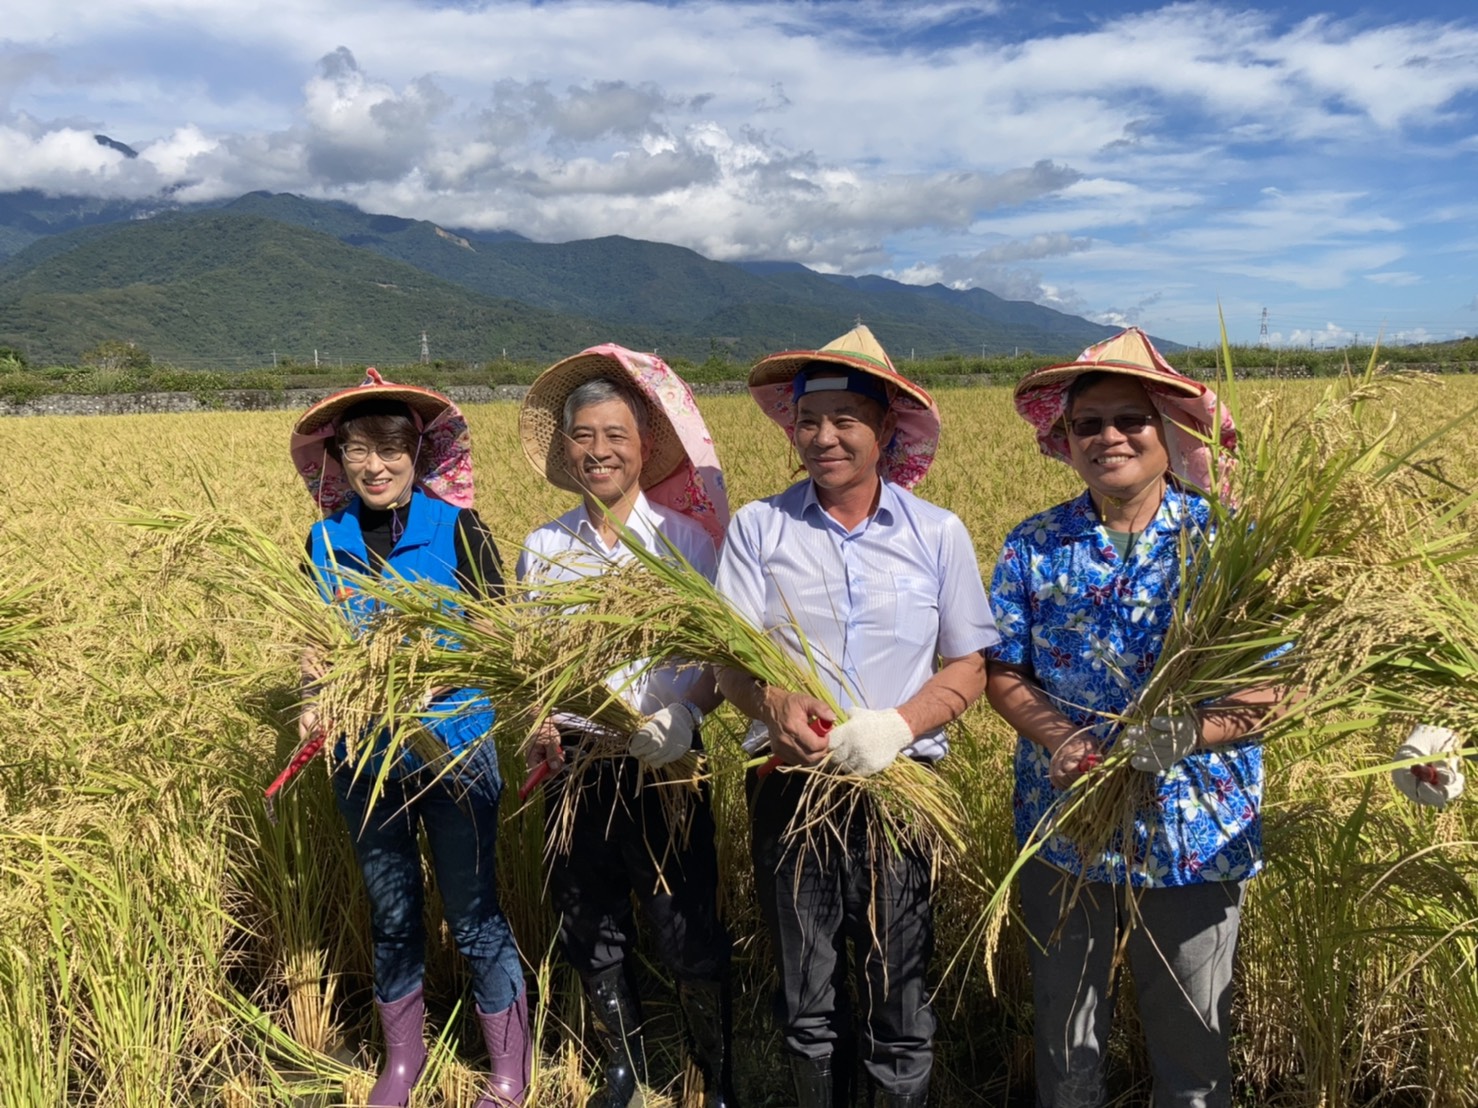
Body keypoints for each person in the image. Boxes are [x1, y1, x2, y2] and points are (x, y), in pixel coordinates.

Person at [986, 328, 1284, 1108]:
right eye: (1090, 423)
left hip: (1196, 830)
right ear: (1067, 437)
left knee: (1191, 1048)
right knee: (1066, 1038)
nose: (1109, 437)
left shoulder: (1227, 545)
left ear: (1171, 433)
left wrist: (1191, 732)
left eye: (1131, 420)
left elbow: (1273, 687)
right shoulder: (1035, 545)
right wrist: (1061, 735)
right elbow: (1003, 671)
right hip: (1066, 821)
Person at [713, 326, 997, 1108]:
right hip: (790, 786)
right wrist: (771, 703)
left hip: (902, 789)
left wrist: (898, 727)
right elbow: (727, 662)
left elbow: (970, 662)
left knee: (897, 991)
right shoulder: (760, 529)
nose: (824, 437)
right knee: (808, 1000)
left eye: (846, 419)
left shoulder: (936, 532)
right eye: (810, 419)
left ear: (886, 429)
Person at [289, 369, 529, 1108]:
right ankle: (403, 1062)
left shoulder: (460, 529)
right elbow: (311, 646)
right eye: (359, 448)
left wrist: (433, 670)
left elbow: (502, 639)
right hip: (364, 759)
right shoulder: (323, 542)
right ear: (339, 458)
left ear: (418, 453)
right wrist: (313, 698)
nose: (375, 465)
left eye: (392, 446)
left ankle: (508, 1070)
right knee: (391, 911)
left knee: (474, 911)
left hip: (453, 751)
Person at [514, 344, 736, 1108]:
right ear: (565, 447)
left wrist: (685, 714)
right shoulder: (542, 549)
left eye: (616, 436)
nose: (599, 451)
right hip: (578, 763)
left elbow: (724, 662)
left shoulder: (689, 543)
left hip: (668, 756)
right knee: (590, 917)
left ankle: (714, 1069)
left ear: (646, 447)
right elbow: (531, 662)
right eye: (584, 436)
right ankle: (626, 1068)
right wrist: (540, 721)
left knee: (684, 917)